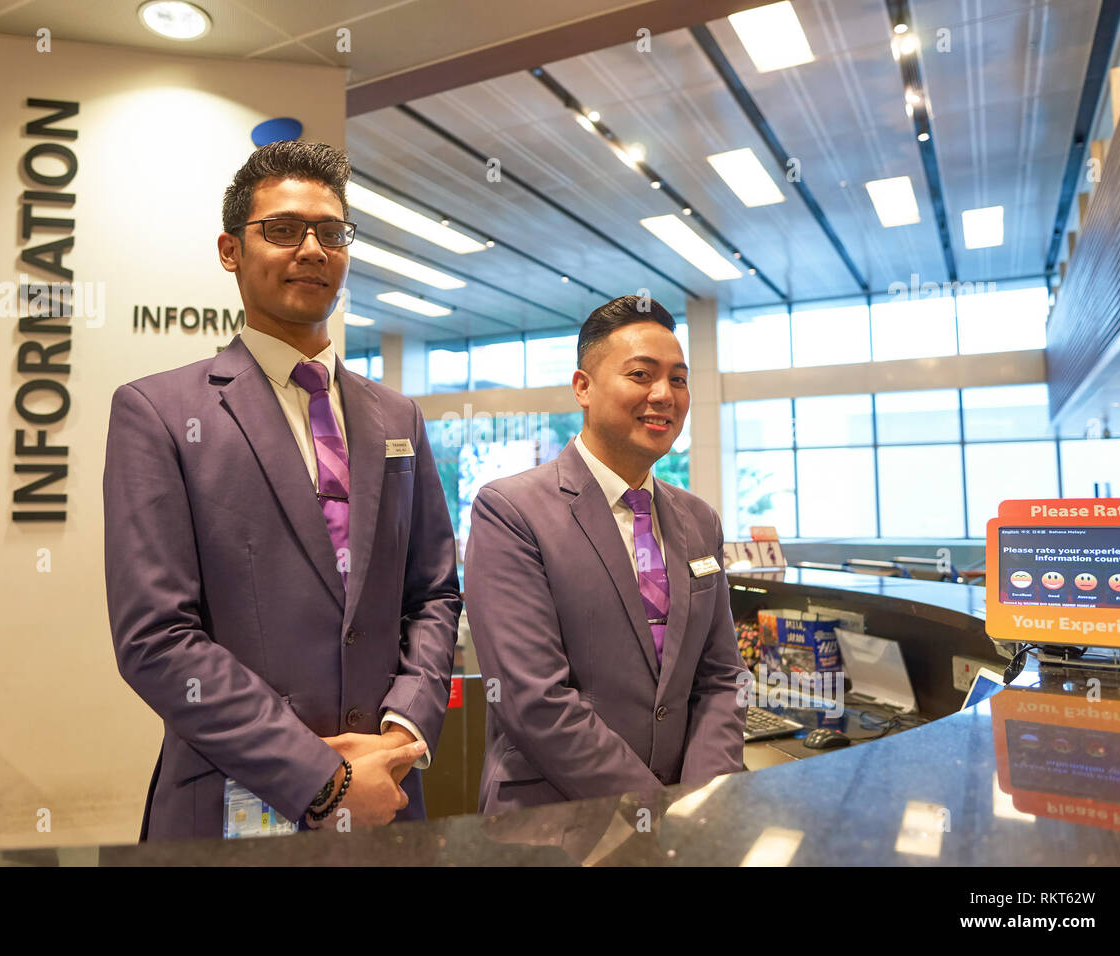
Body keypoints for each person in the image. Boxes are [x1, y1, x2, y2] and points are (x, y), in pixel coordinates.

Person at [103, 141, 462, 841]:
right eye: (283, 230)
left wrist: (402, 729)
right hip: (235, 802)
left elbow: (434, 592)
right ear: (230, 251)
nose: (312, 249)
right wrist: (323, 780)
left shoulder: (397, 418)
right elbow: (156, 637)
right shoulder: (159, 413)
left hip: (387, 796)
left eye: (332, 232)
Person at [464, 295, 747, 814]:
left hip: (688, 818)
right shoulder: (511, 510)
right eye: (641, 375)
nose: (664, 394)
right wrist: (653, 808)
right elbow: (533, 699)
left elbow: (722, 676)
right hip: (556, 819)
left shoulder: (699, 519)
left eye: (678, 379)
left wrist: (704, 798)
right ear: (583, 388)